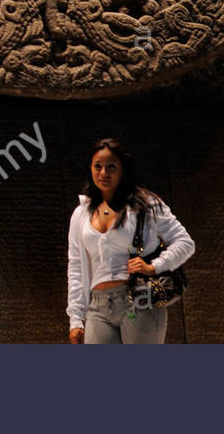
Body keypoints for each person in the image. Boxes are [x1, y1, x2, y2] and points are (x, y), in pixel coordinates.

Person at [66, 138, 194, 344]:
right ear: (90, 168)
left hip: (139, 300)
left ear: (123, 169)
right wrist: (75, 319)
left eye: (111, 167)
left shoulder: (146, 204)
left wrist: (154, 267)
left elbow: (185, 243)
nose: (103, 173)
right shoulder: (81, 213)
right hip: (98, 306)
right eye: (97, 166)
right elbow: (76, 268)